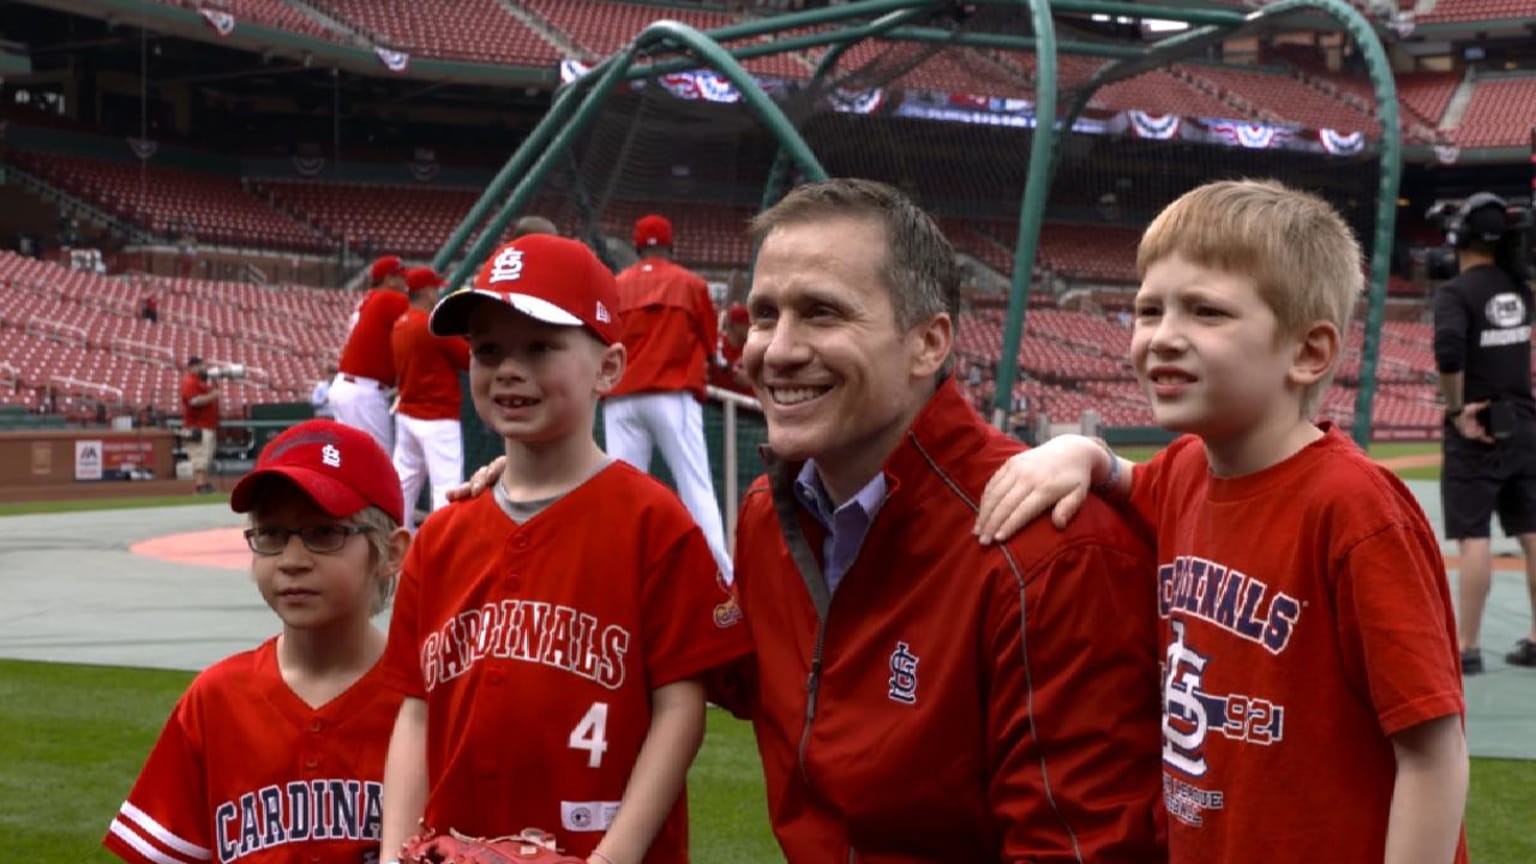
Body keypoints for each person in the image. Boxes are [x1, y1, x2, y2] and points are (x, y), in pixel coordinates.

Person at [973, 179, 1469, 863]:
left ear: (1308, 353)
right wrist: (1082, 453)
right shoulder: (1184, 470)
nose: (1163, 337)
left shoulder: (1354, 507)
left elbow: (1433, 751)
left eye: (1206, 312)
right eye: (1148, 310)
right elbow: (1129, 481)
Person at [723, 178, 1165, 861]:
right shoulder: (769, 515)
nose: (776, 350)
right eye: (763, 315)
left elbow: (1078, 848)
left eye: (821, 313)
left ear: (929, 344)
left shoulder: (1054, 548)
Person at [377, 234, 750, 864]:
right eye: (488, 350)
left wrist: (611, 858)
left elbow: (681, 709)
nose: (508, 368)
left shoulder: (654, 522)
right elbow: (416, 713)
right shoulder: (441, 536)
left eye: (540, 346)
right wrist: (392, 855)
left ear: (609, 368)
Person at [104, 419, 409, 864]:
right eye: (271, 534)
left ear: (391, 553)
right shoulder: (216, 699)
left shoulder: (426, 702)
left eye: (325, 533)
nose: (292, 560)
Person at [1430, 192, 1536, 675]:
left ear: (1460, 237)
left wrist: (1456, 411)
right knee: (1531, 531)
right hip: (1525, 423)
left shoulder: (1457, 293)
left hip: (1477, 428)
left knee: (1474, 537)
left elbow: (1450, 353)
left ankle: (1466, 647)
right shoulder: (1520, 289)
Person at [603, 214, 732, 581]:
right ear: (670, 245)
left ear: (637, 245)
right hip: (672, 395)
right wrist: (720, 363)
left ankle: (617, 577)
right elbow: (713, 349)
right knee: (695, 486)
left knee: (620, 494)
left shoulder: (616, 285)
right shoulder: (691, 283)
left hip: (620, 398)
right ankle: (723, 578)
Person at [390, 266, 469, 532]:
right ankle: (444, 543)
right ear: (425, 291)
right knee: (447, 486)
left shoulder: (400, 323)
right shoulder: (430, 323)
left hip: (408, 413)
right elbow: (468, 358)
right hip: (437, 416)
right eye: (435, 288)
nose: (438, 293)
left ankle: (397, 537)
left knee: (404, 482)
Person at [331, 255, 411, 453]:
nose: (406, 281)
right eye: (401, 276)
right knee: (380, 458)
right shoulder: (389, 298)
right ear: (389, 279)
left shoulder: (368, 299)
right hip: (364, 393)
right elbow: (424, 318)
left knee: (352, 456)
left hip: (349, 388)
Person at [179, 356, 220, 494]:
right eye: (201, 366)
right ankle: (200, 485)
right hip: (197, 426)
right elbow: (194, 401)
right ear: (193, 367)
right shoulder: (189, 381)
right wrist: (213, 395)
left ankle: (204, 483)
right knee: (199, 457)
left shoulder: (201, 382)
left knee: (206, 457)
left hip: (207, 425)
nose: (204, 369)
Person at [707, 302, 752, 395]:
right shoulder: (717, 342)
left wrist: (727, 367)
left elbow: (746, 380)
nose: (750, 328)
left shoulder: (751, 349)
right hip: (715, 398)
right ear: (735, 325)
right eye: (747, 324)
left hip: (744, 402)